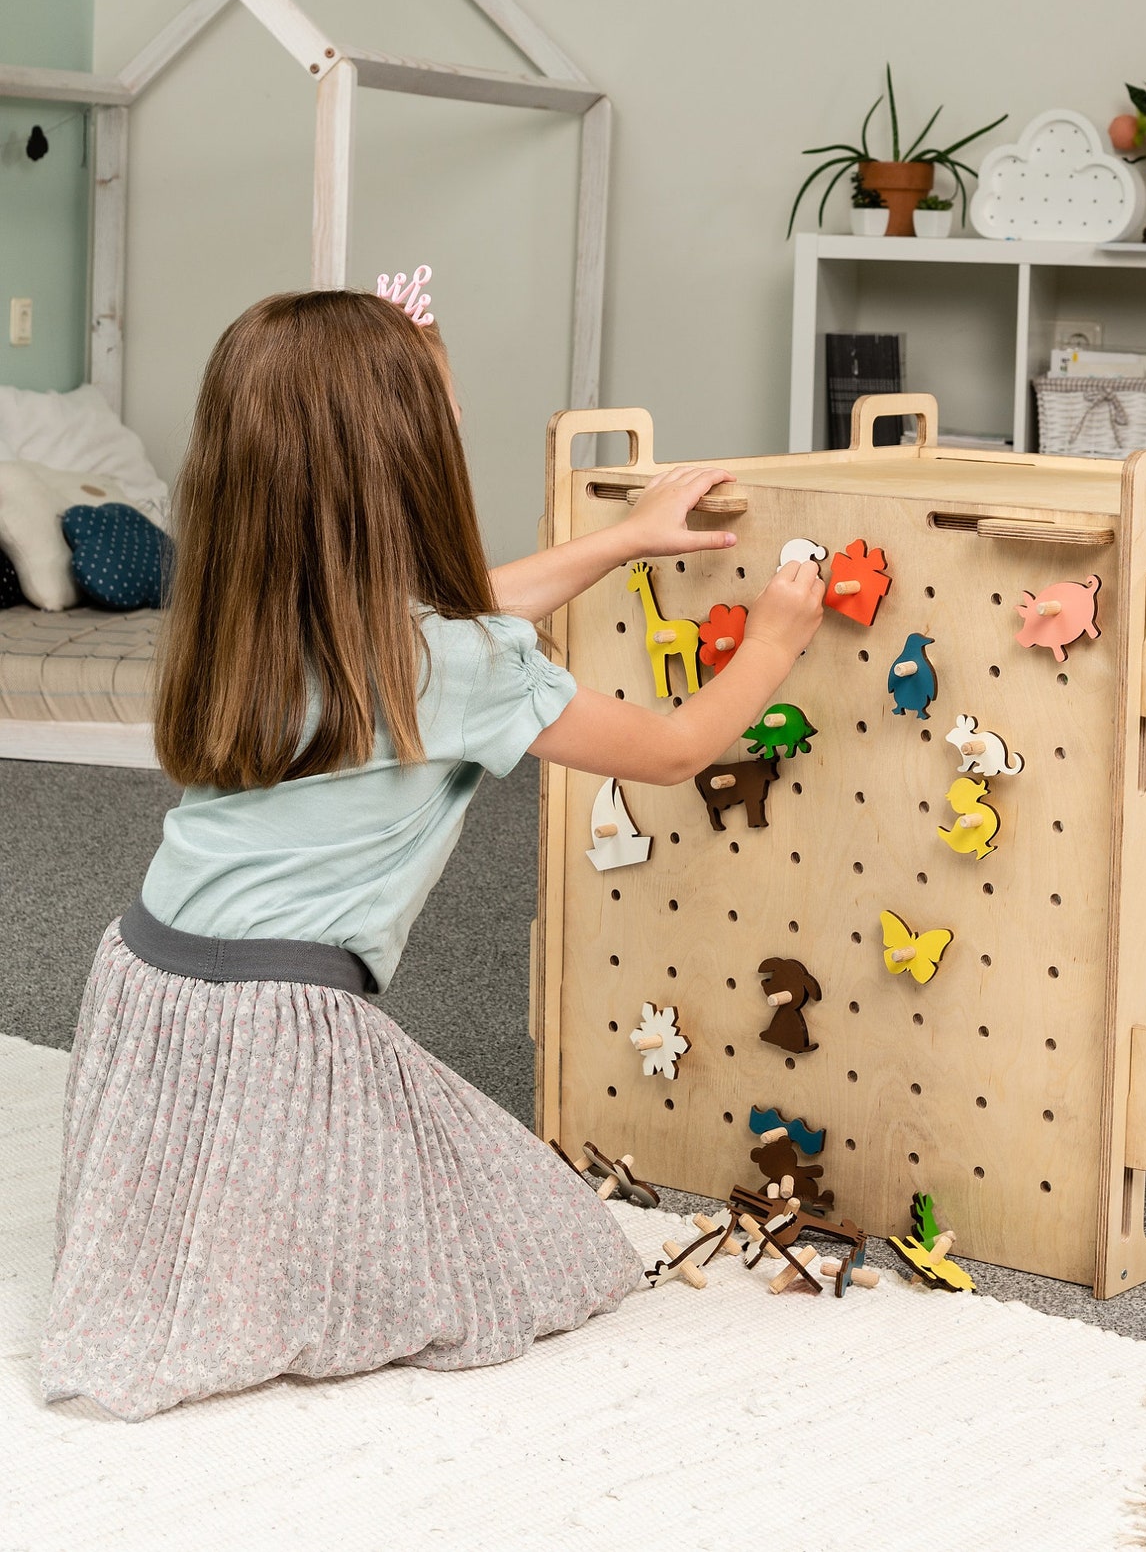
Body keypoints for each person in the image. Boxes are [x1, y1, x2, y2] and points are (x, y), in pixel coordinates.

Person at [39, 283, 825, 1420]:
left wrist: (622, 539)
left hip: (145, 984)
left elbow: (466, 617)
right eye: (441, 413)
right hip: (281, 1023)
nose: (456, 428)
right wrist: (778, 639)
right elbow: (672, 749)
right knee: (546, 1248)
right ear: (398, 459)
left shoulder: (251, 614)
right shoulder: (457, 665)